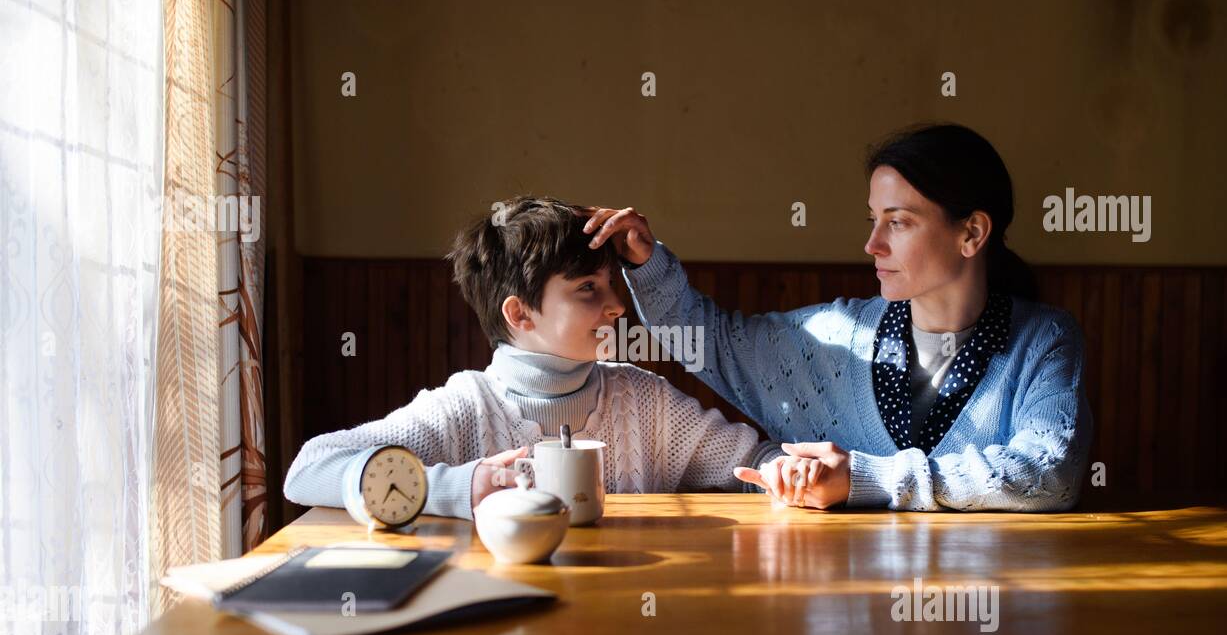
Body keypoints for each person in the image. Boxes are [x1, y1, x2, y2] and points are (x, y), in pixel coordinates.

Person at [587, 123, 1093, 512]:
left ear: (972, 233)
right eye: (874, 220)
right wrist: (645, 263)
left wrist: (862, 477)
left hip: (989, 619)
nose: (872, 245)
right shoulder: (835, 339)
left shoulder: (1042, 338)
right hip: (857, 615)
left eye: (898, 222)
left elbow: (1052, 472)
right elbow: (712, 342)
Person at [283, 196, 780, 520]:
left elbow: (754, 465)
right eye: (588, 288)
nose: (617, 305)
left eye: (612, 284)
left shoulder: (644, 399)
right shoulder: (463, 409)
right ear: (520, 313)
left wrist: (787, 473)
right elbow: (309, 468)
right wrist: (460, 486)